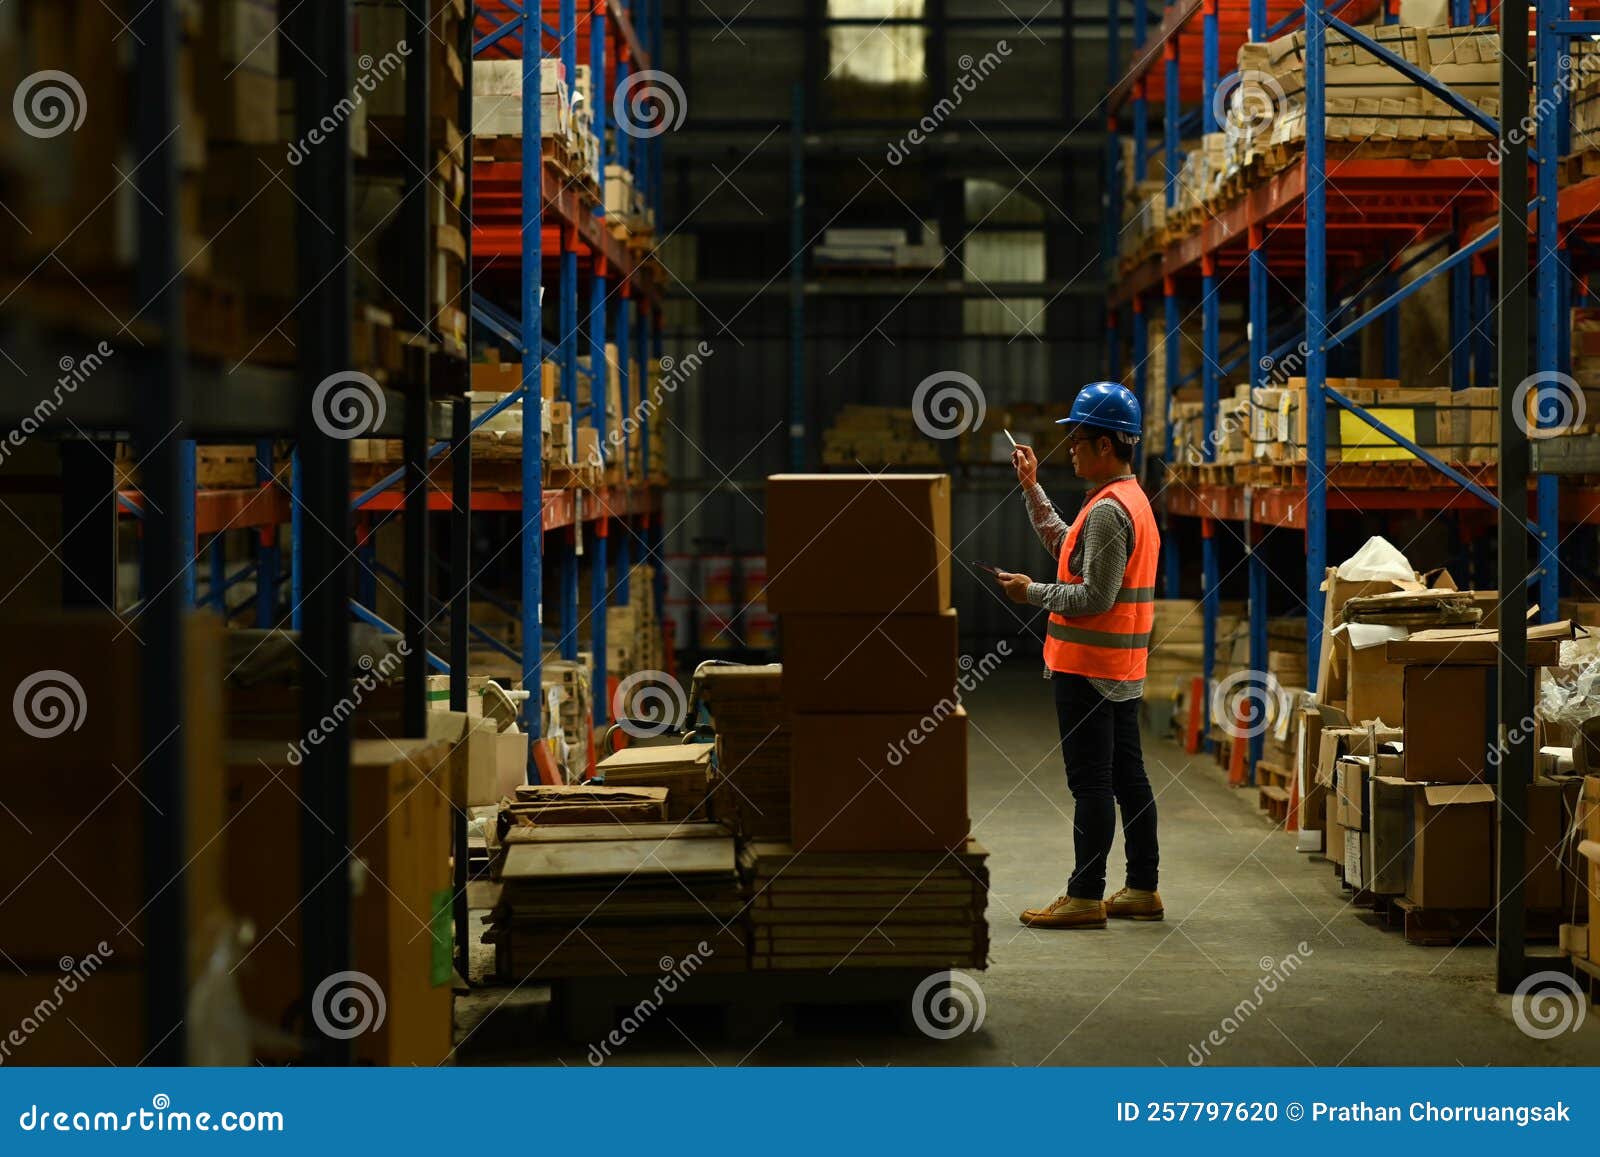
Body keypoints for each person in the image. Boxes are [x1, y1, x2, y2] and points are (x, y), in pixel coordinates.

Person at [993, 382, 1163, 930]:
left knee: (1091, 784)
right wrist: (1031, 488)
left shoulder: (1110, 511)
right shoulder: (1123, 501)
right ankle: (1142, 888)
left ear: (1106, 445)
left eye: (1078, 440)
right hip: (1119, 667)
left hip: (1090, 670)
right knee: (1128, 779)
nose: (1069, 449)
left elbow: (1093, 596)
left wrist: (1031, 594)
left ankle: (1085, 895)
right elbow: (1068, 546)